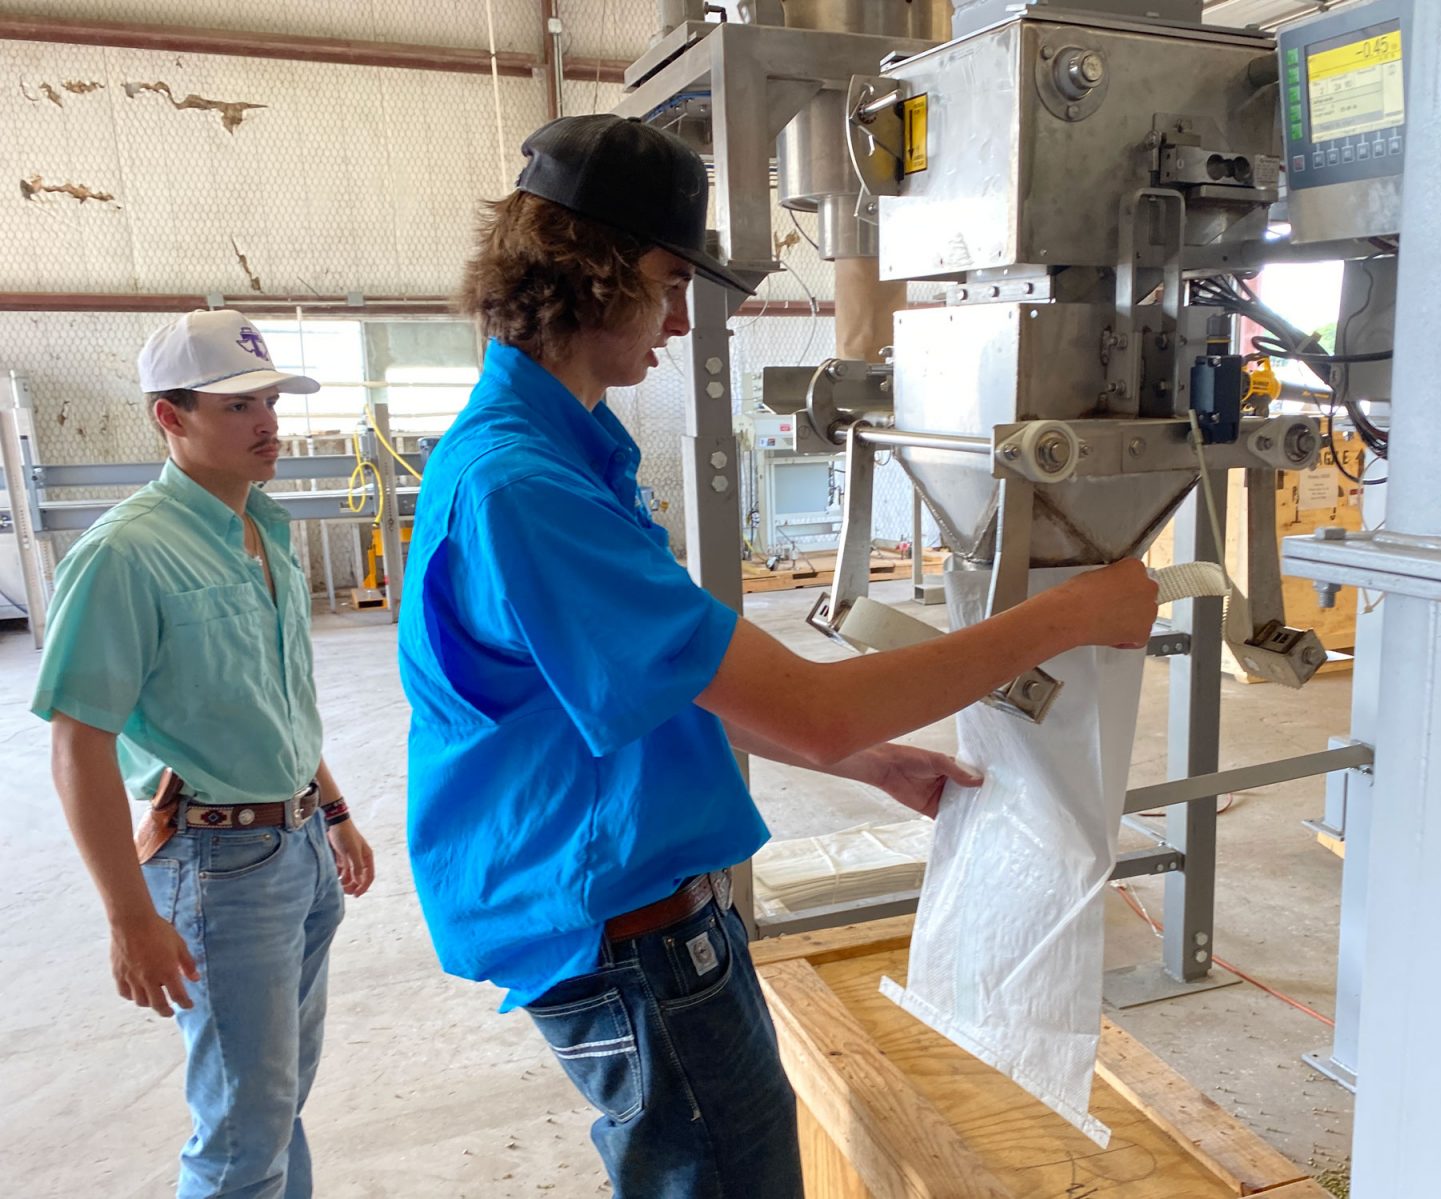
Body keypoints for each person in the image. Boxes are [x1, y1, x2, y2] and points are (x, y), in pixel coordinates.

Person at [397, 114, 1157, 1199]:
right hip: (629, 940)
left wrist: (870, 763)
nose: (674, 318)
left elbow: (662, 690)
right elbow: (810, 707)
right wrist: (1072, 613)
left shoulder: (550, 453)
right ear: (589, 271)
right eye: (666, 280)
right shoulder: (524, 485)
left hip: (638, 924)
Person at [32, 308, 375, 1198]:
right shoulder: (126, 554)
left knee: (277, 1104)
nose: (267, 422)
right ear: (168, 416)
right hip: (217, 867)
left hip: (295, 847)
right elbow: (79, 744)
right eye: (235, 406)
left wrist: (330, 809)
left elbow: (276, 701)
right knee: (238, 1133)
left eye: (269, 399)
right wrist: (128, 917)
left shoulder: (270, 530)